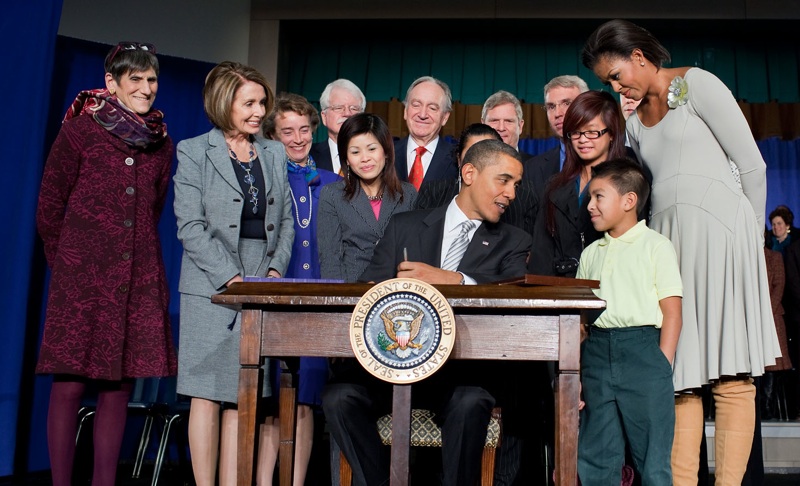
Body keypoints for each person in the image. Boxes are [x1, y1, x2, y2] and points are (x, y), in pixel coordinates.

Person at [582, 19, 781, 485]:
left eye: (615, 75)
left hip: (725, 240)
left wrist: (752, 242)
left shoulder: (699, 84)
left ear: (638, 56)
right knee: (679, 376)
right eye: (607, 82)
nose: (616, 86)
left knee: (732, 373)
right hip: (672, 249)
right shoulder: (632, 123)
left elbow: (752, 165)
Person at [323, 139, 531, 486]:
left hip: (460, 372)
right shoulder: (405, 225)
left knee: (471, 403)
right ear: (469, 173)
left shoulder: (514, 240)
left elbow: (508, 298)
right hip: (392, 367)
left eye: (516, 185)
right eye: (504, 180)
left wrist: (453, 280)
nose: (511, 193)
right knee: (339, 396)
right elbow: (368, 290)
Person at [35, 41, 177, 486]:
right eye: (135, 79)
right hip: (82, 278)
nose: (146, 87)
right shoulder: (80, 131)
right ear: (112, 83)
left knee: (118, 384)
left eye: (151, 79)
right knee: (71, 383)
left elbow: (152, 207)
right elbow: (50, 204)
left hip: (135, 276)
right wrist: (70, 262)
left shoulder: (161, 142)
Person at [173, 61, 294, 486]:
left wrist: (276, 268)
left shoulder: (274, 151)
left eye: (263, 102)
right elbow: (189, 226)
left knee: (243, 395)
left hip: (262, 280)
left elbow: (287, 222)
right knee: (207, 393)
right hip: (209, 283)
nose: (260, 110)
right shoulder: (193, 150)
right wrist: (231, 277)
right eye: (250, 102)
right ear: (224, 103)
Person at [576, 158, 683, 485]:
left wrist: (660, 366)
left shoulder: (657, 247)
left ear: (629, 201)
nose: (590, 205)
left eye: (598, 197)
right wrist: (577, 372)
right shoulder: (590, 253)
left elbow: (672, 313)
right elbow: (580, 320)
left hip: (643, 354)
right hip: (596, 353)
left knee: (652, 463)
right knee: (596, 458)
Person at [260, 92, 341, 485]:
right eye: (287, 131)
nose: (297, 138)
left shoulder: (336, 183)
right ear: (273, 135)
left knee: (306, 398)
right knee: (271, 402)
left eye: (304, 129)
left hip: (319, 305)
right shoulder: (264, 179)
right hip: (274, 299)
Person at [527, 90, 628, 278]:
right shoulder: (555, 185)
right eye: (576, 132)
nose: (582, 140)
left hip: (607, 286)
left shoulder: (628, 180)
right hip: (559, 293)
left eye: (592, 132)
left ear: (612, 134)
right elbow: (542, 252)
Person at [318, 112, 417, 283]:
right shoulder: (332, 195)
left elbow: (414, 253)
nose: (365, 158)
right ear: (347, 159)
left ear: (386, 152)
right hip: (352, 292)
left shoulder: (408, 194)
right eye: (355, 152)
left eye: (372, 149)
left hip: (396, 292)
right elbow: (330, 259)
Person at [415, 123, 536, 235]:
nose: (480, 159)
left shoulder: (523, 198)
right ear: (459, 160)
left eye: (488, 153)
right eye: (473, 153)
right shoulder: (433, 192)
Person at [524, 75, 590, 190]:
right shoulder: (532, 168)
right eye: (551, 106)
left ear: (586, 106)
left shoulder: (616, 161)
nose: (557, 113)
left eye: (567, 103)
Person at [394, 76, 458, 190]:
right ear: (405, 111)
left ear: (445, 117)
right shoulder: (385, 154)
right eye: (416, 105)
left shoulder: (458, 160)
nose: (423, 114)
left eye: (432, 108)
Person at [309, 78, 366, 175]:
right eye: (338, 108)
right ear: (324, 117)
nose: (347, 113)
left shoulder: (374, 157)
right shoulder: (308, 156)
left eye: (354, 108)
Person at [481, 89, 533, 158]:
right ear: (483, 125)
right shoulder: (470, 165)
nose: (501, 128)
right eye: (494, 120)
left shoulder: (536, 167)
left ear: (520, 126)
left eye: (508, 121)